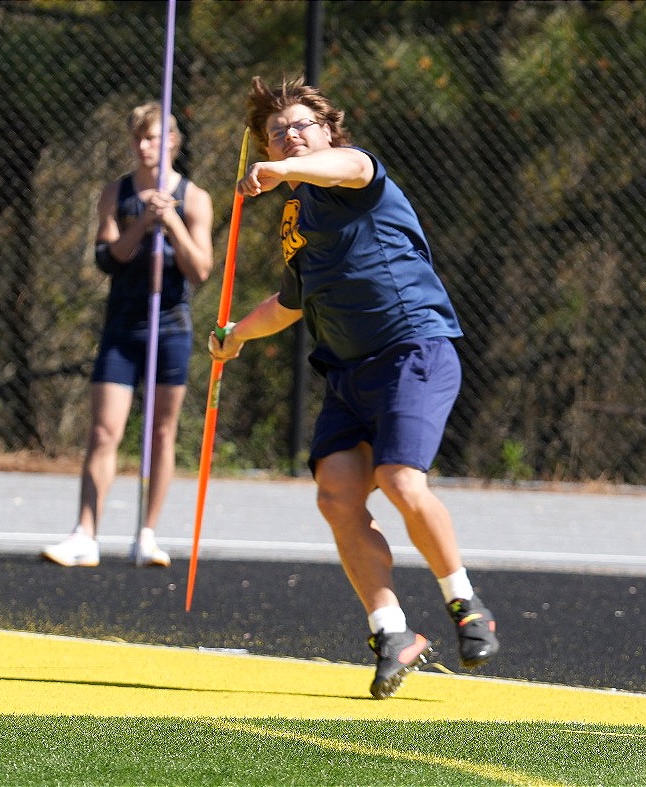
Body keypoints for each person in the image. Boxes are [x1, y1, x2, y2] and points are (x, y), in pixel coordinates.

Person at [209, 76, 499, 699]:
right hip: (348, 373)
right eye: (276, 133)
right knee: (337, 496)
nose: (290, 136)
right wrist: (236, 336)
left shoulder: (354, 172)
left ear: (327, 130)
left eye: (301, 126)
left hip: (412, 350)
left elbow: (346, 165)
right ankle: (392, 631)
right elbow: (291, 303)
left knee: (400, 481)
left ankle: (465, 604)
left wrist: (280, 168)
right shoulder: (296, 217)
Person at [43, 102, 214, 569]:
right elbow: (107, 257)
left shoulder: (194, 198)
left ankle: (147, 534)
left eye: (152, 137)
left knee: (161, 432)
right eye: (138, 138)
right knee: (103, 431)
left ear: (172, 141)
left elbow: (200, 269)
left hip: (170, 327)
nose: (144, 146)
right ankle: (85, 533)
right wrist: (142, 222)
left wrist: (171, 221)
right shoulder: (115, 193)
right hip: (122, 326)